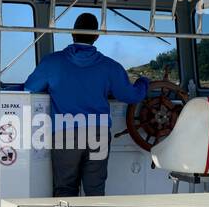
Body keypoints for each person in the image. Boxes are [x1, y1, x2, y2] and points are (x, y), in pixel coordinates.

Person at [23, 12, 150, 196]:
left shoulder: (52, 62)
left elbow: (29, 88)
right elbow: (130, 95)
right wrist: (143, 82)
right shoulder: (110, 67)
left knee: (65, 189)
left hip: (64, 134)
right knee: (95, 189)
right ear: (96, 36)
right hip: (97, 135)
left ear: (72, 34)